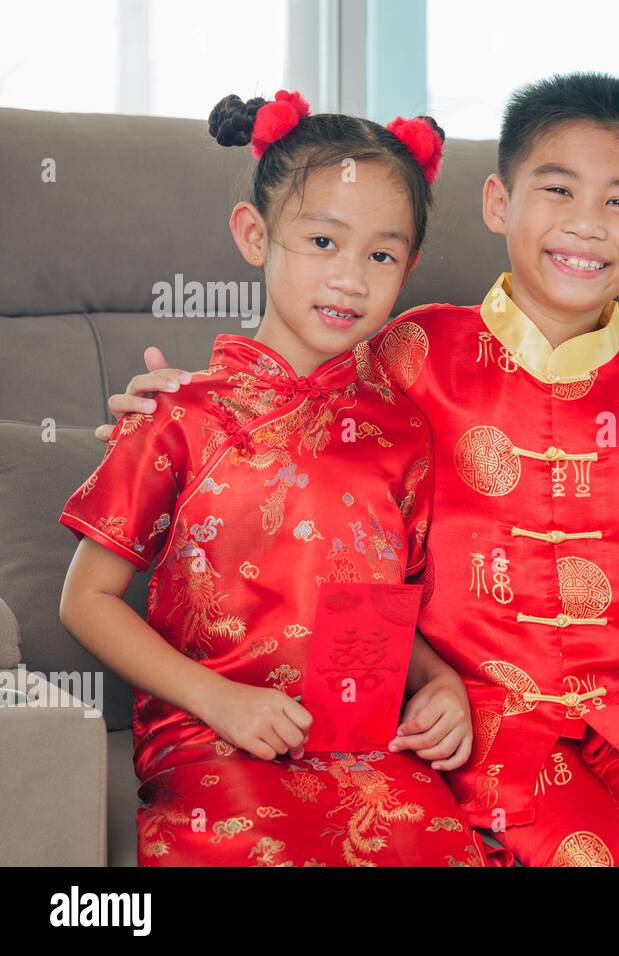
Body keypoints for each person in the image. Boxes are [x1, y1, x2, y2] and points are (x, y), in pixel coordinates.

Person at [100, 73, 619, 867]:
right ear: (497, 205)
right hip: (488, 726)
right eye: (557, 190)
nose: (585, 224)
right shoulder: (411, 352)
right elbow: (294, 385)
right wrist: (166, 405)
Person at [60, 90, 512, 867]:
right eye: (323, 241)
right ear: (255, 235)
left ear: (410, 267)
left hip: (367, 746)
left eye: (380, 255)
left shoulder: (402, 434)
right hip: (213, 740)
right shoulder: (179, 413)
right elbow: (84, 600)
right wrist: (218, 701)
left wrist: (439, 686)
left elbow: (384, 615)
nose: (349, 278)